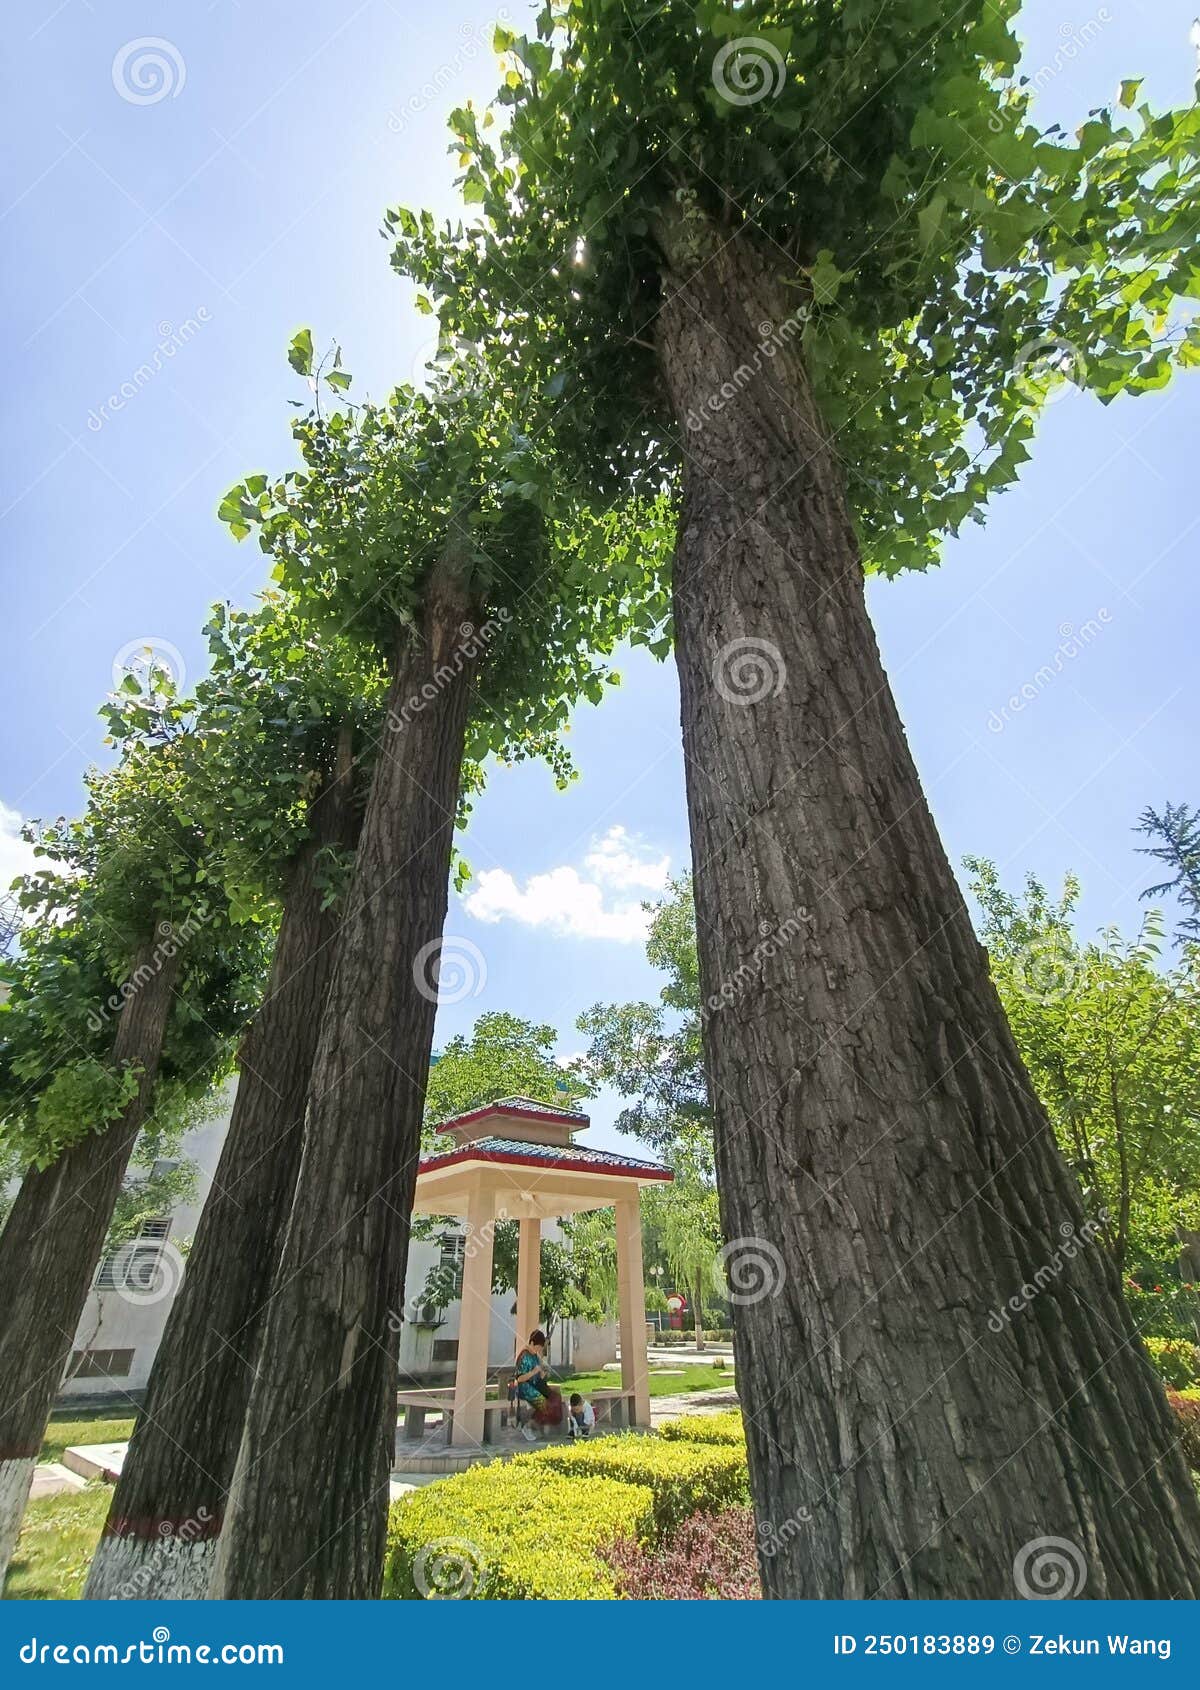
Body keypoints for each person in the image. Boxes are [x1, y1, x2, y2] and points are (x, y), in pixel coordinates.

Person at [512, 1329, 562, 1442]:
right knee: (546, 1405)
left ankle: (542, 1425)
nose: (539, 1350)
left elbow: (537, 1373)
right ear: (532, 1343)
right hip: (525, 1388)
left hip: (535, 1385)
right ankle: (528, 1427)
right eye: (538, 1347)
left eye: (541, 1348)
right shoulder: (524, 1356)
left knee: (555, 1398)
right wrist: (534, 1372)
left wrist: (542, 1374)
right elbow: (519, 1378)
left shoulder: (534, 1355)